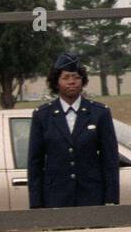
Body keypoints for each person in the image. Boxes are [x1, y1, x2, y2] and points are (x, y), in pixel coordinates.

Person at [27, 52, 119, 208]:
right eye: (66, 78)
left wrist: (111, 198)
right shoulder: (42, 116)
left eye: (76, 77)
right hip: (56, 199)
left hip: (92, 197)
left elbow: (110, 160)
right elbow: (35, 164)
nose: (72, 82)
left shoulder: (99, 113)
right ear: (56, 82)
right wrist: (36, 205)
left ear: (82, 81)